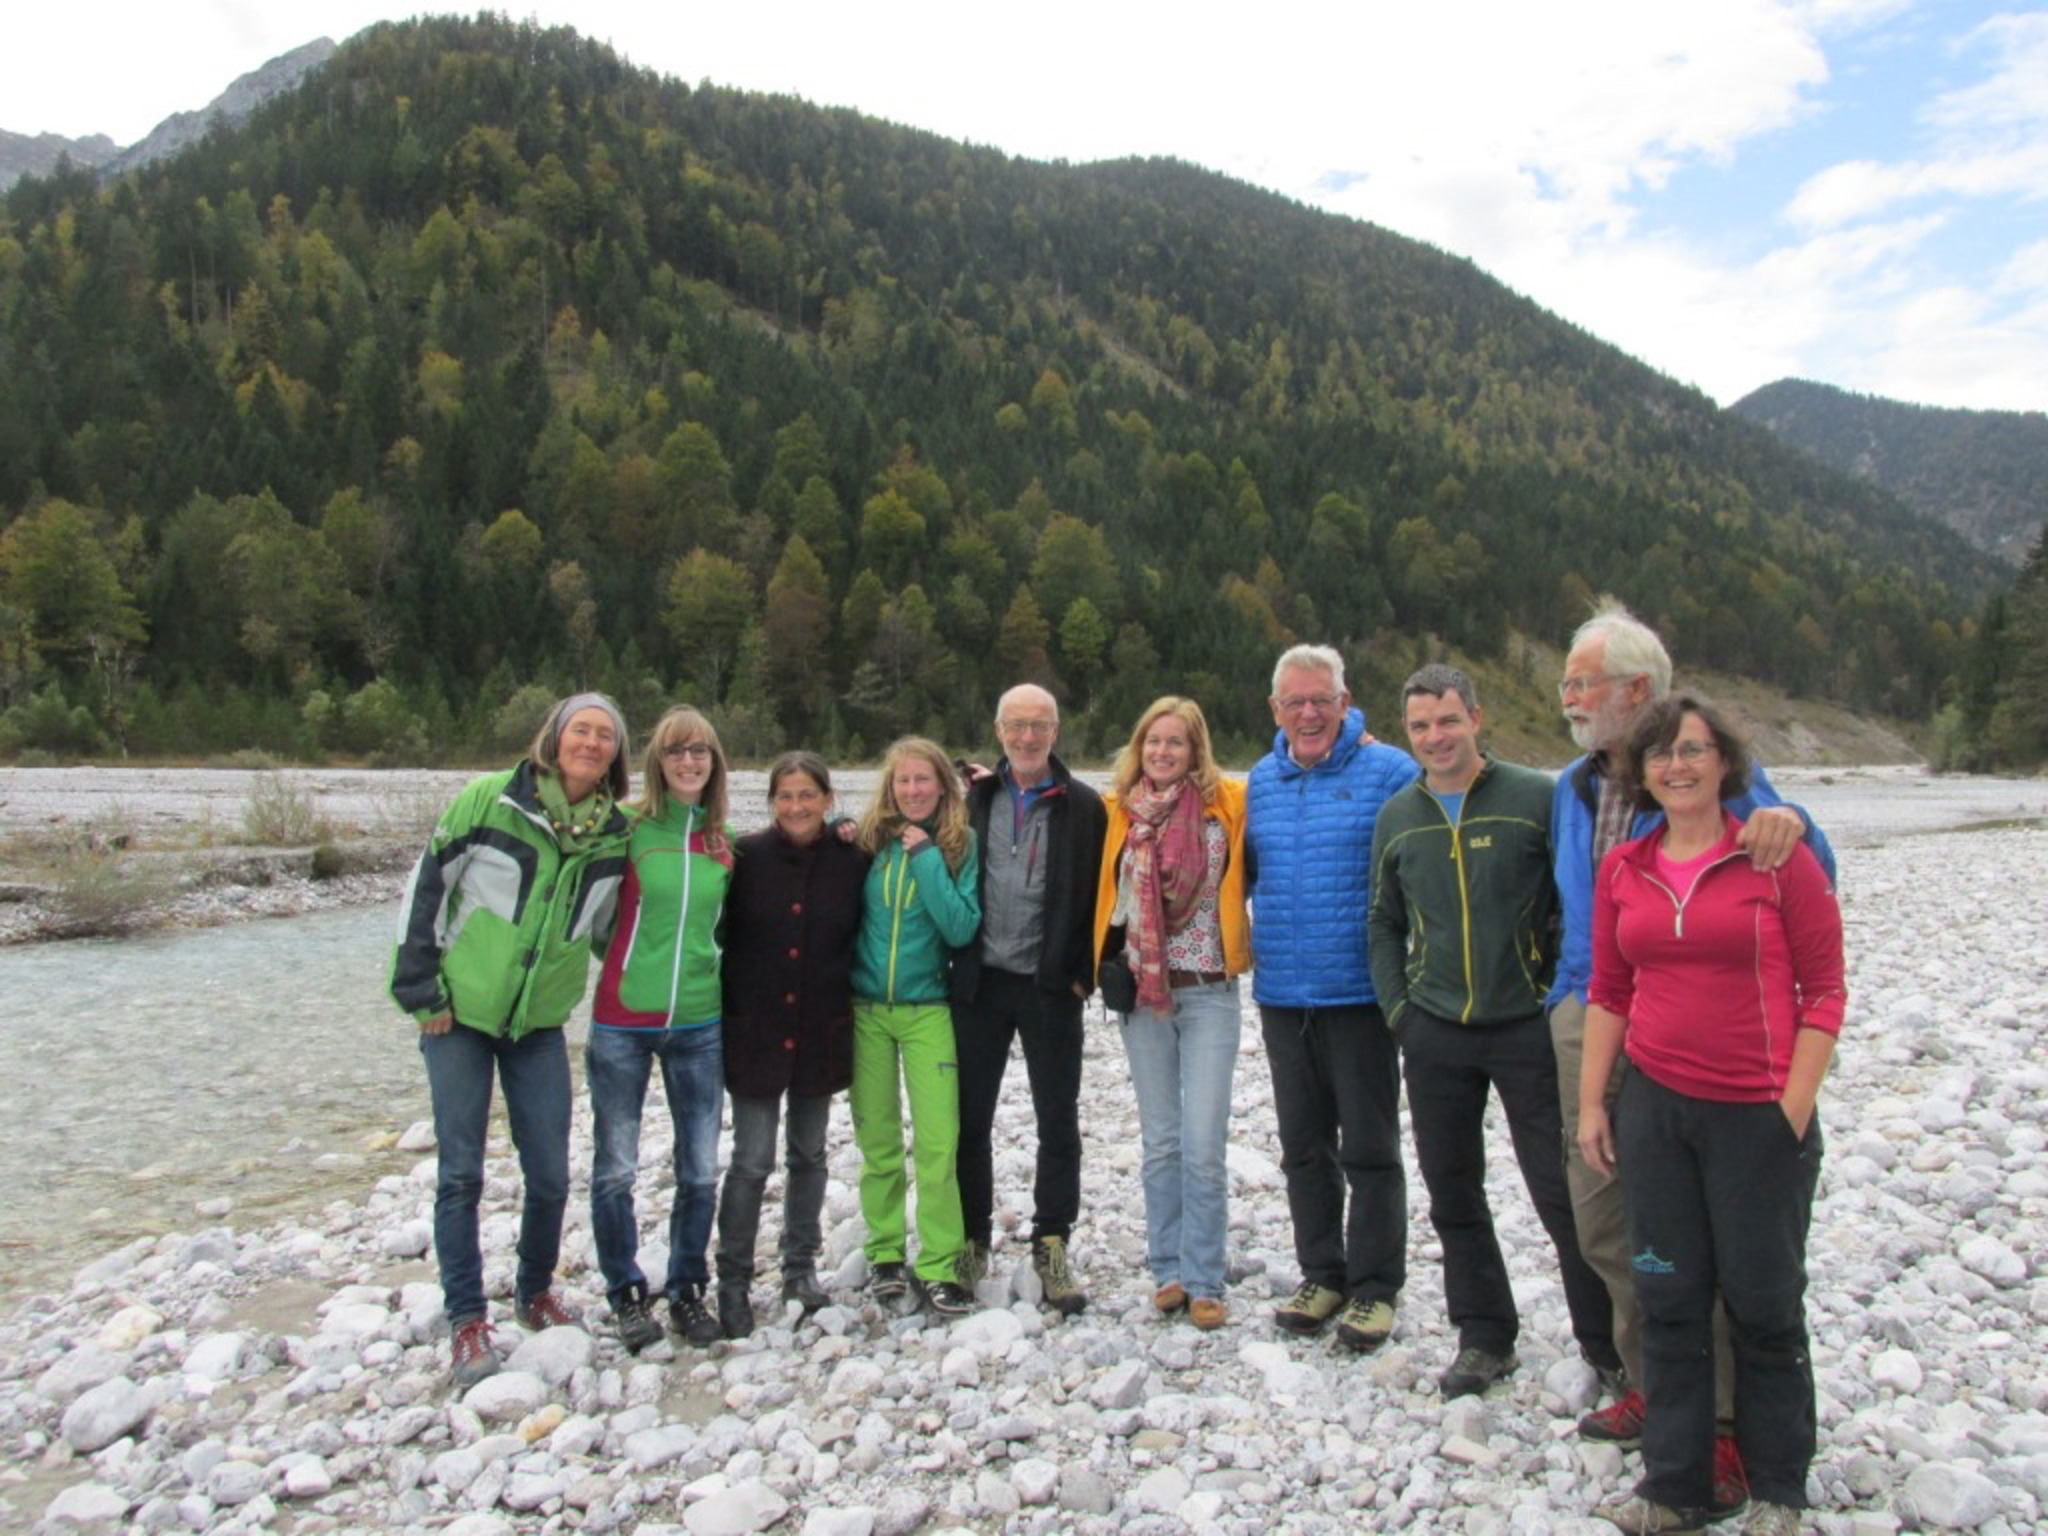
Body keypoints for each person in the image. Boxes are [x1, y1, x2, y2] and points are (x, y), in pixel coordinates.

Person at [1550, 599, 1835, 1513]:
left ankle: (1752, 1461)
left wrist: (1790, 1108)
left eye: (1582, 684)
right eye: (1665, 755)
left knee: (1754, 1289)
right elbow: (1603, 968)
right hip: (1625, 1057)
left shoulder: (1764, 830)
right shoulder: (1589, 809)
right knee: (1635, 1253)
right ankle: (1670, 1437)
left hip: (1746, 1096)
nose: (1568, 699)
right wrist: (1591, 1087)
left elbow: (1821, 981)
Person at [1367, 665, 1615, 1397]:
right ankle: (1484, 1336)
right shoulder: (1398, 816)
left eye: (1447, 721)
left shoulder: (1537, 799)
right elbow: (1382, 922)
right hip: (1435, 1031)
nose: (1435, 737)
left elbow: (1579, 900)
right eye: (1419, 726)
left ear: (1477, 718)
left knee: (1563, 1191)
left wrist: (1556, 995)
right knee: (1453, 1193)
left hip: (1526, 1028)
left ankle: (1604, 1344)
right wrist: (1399, 1014)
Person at [389, 692, 632, 1387]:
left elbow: (611, 936)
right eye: (580, 730)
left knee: (551, 1172)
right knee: (461, 1172)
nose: (591, 743)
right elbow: (425, 892)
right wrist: (420, 991)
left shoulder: (612, 833)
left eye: (605, 736)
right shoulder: (488, 802)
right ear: (554, 737)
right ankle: (467, 1320)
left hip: (539, 1026)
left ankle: (534, 1292)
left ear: (617, 753)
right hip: (458, 1016)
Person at [1246, 643, 1420, 1350]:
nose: (1310, 712)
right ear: (1276, 710)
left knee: (1371, 1148)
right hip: (1283, 994)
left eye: (1322, 699)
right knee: (1302, 1147)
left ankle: (1376, 1288)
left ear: (1347, 703)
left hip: (1360, 994)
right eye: (1296, 701)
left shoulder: (1390, 772)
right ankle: (1322, 1272)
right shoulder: (1258, 780)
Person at [1092, 696, 1250, 1330]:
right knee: (1161, 1142)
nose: (1162, 752)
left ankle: (1207, 1277)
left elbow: (1299, 768)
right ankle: (1169, 1270)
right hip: (1145, 996)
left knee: (1203, 1142)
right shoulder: (1116, 812)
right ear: (1139, 747)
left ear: (1195, 750)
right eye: (1153, 741)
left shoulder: (1227, 806)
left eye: (1176, 743)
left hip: (1209, 990)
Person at [952, 683, 1107, 1313]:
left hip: (1050, 987)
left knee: (1058, 1119)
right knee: (969, 1120)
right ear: (998, 729)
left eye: (1038, 726)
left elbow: (1108, 892)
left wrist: (1084, 974)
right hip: (979, 983)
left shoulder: (1085, 806)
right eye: (1016, 726)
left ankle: (1051, 1241)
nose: (1026, 737)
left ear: (1056, 730)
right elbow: (902, 820)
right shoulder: (973, 799)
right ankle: (971, 1241)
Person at [586, 706, 734, 1353]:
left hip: (700, 1021)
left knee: (698, 1169)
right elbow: (592, 920)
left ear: (714, 763)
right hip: (622, 1023)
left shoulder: (722, 844)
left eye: (700, 751)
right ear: (658, 761)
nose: (689, 761)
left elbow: (727, 932)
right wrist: (626, 967)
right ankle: (624, 1293)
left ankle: (685, 1290)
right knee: (616, 1168)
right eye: (676, 751)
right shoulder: (630, 831)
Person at [714, 752, 870, 1337]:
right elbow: (716, 935)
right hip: (755, 1030)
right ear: (770, 802)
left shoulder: (853, 859)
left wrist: (851, 826)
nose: (797, 807)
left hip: (821, 1030)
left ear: (829, 801)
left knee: (809, 1156)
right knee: (751, 1162)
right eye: (786, 797)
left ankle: (799, 1268)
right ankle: (732, 1280)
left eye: (809, 796)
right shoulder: (744, 858)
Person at [851, 736, 983, 1317]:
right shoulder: (867, 843)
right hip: (867, 1013)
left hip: (929, 1009)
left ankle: (938, 1262)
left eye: (923, 780)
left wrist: (927, 856)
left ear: (942, 786)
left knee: (936, 1143)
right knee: (878, 1142)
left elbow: (960, 927)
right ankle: (883, 1251)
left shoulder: (959, 845)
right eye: (903, 781)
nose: (912, 790)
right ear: (890, 785)